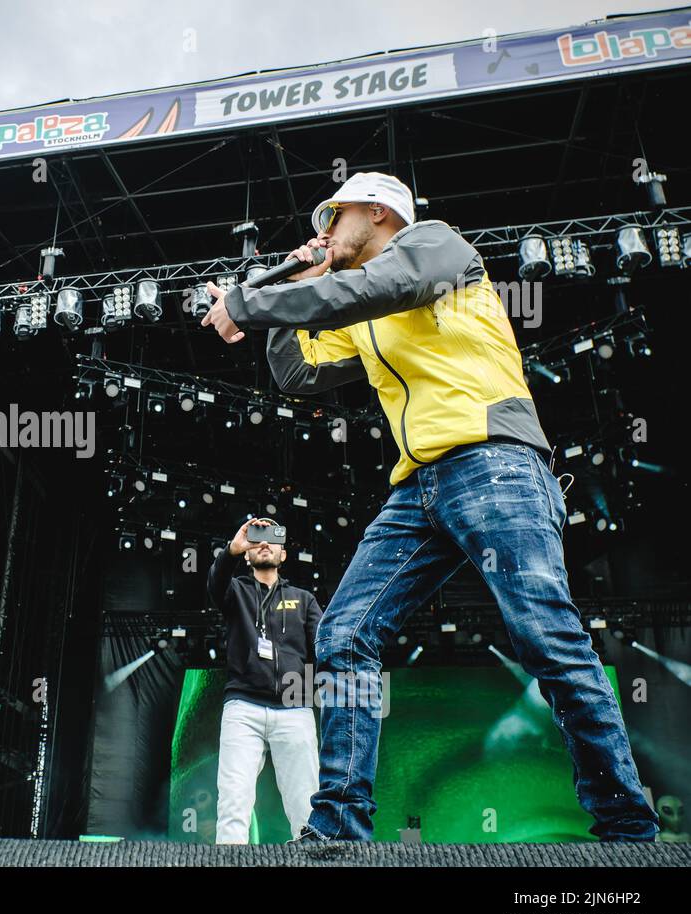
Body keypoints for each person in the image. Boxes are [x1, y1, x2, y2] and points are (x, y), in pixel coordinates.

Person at [200, 171, 659, 843]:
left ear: (379, 211)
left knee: (547, 638)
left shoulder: (438, 249)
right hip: (419, 489)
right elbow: (297, 372)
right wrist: (283, 286)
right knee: (344, 634)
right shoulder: (361, 306)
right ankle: (338, 825)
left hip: (496, 460)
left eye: (337, 215)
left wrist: (251, 302)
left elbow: (373, 288)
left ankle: (626, 827)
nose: (324, 229)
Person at [207, 516, 322, 843]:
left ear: (283, 554)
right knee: (233, 798)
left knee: (305, 803)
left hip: (294, 707)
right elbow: (215, 583)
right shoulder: (236, 592)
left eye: (273, 538)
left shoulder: (303, 599)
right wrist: (232, 548)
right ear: (247, 553)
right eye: (257, 538)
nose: (264, 543)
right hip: (243, 707)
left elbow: (323, 647)